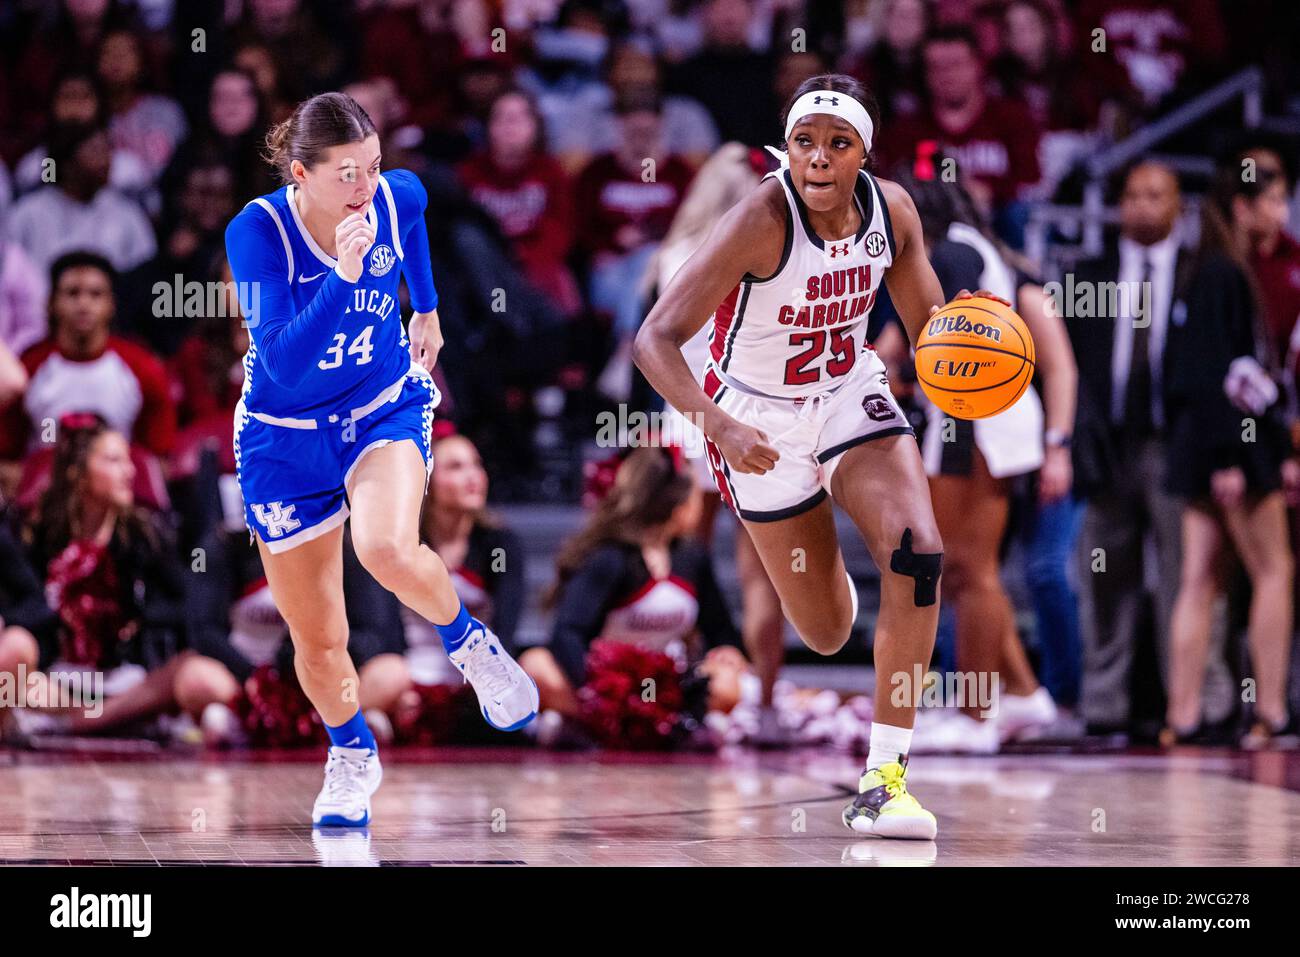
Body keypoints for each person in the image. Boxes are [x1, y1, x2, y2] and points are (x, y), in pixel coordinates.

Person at [635, 74, 951, 840]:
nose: (816, 158)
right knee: (827, 630)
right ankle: (822, 561)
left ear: (863, 155)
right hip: (754, 417)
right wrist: (715, 424)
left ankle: (883, 781)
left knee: (918, 553)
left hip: (847, 395)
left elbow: (930, 329)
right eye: (804, 141)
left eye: (836, 144)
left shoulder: (894, 212)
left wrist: (975, 352)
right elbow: (653, 340)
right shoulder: (759, 218)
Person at [224, 91, 538, 829]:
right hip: (284, 433)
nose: (367, 187)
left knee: (387, 547)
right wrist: (344, 275)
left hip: (378, 404)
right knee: (320, 640)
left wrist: (423, 306)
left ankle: (469, 643)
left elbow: (418, 210)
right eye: (346, 174)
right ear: (300, 174)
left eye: (373, 166)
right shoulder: (258, 231)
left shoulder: (393, 196)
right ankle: (351, 752)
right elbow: (285, 361)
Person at [882, 163, 1076, 752]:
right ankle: (1022, 696)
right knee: (969, 568)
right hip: (978, 415)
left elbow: (947, 345)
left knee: (969, 569)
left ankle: (976, 714)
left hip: (976, 419)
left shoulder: (954, 256)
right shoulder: (968, 248)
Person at [1069, 161, 1235, 739]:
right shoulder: (1087, 274)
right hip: (1106, 445)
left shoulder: (1203, 273)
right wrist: (1072, 438)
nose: (1141, 205)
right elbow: (1068, 368)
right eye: (1132, 195)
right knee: (1104, 575)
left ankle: (1196, 704)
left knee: (1186, 578)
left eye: (1154, 195)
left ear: (1178, 206)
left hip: (1176, 445)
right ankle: (1105, 704)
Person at [1162, 164, 1297, 748]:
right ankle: (1270, 712)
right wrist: (1231, 458)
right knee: (1275, 570)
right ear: (1242, 208)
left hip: (1204, 445)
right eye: (1273, 200)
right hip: (1232, 448)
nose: (1283, 211)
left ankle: (1182, 716)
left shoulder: (1203, 268)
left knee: (1199, 580)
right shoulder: (1224, 273)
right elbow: (1209, 374)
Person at [520, 447, 746, 741]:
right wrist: (600, 686)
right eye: (693, 495)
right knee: (536, 665)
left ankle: (664, 720)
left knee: (728, 681)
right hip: (606, 682)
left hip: (666, 683)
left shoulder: (691, 558)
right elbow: (567, 633)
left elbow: (720, 629)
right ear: (674, 503)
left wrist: (727, 651)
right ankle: (602, 720)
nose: (699, 503)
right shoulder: (609, 557)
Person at [357, 431, 526, 737]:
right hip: (410, 673)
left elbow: (506, 626)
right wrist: (410, 690)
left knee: (532, 667)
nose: (473, 476)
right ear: (427, 479)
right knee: (386, 672)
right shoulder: (403, 543)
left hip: (477, 680)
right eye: (456, 467)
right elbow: (383, 628)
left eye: (476, 465)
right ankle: (357, 729)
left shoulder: (499, 545)